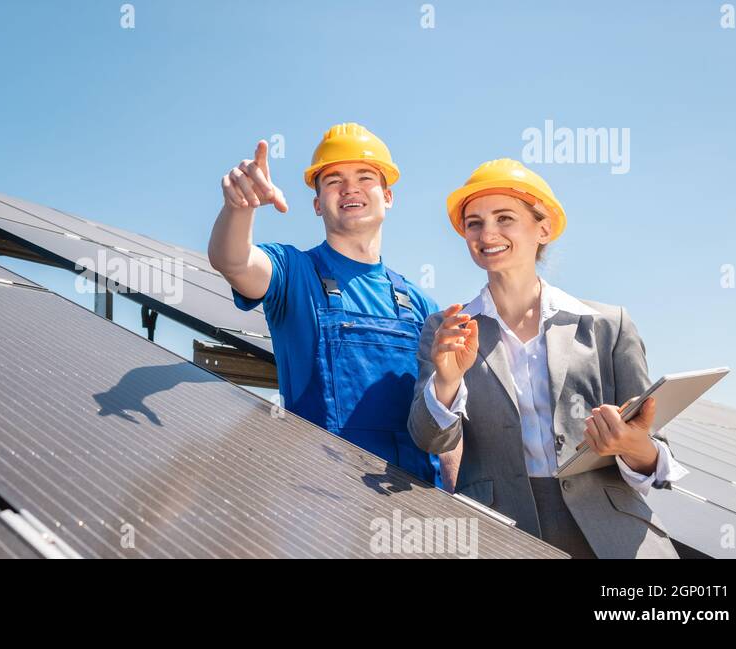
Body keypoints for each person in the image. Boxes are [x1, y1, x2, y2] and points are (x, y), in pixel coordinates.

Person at [408, 158, 687, 558]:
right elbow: (429, 439)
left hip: (611, 536)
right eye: (474, 222)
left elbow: (656, 452)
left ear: (543, 228)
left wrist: (631, 445)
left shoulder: (608, 325)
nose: (488, 233)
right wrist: (447, 382)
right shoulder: (446, 329)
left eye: (505, 218)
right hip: (496, 532)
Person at [209, 123, 450, 487]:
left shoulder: (422, 306)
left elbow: (442, 417)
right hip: (322, 510)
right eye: (334, 179)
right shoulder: (294, 273)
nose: (350, 187)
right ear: (318, 204)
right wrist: (239, 208)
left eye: (365, 177)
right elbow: (234, 260)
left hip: (409, 510)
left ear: (388, 196)